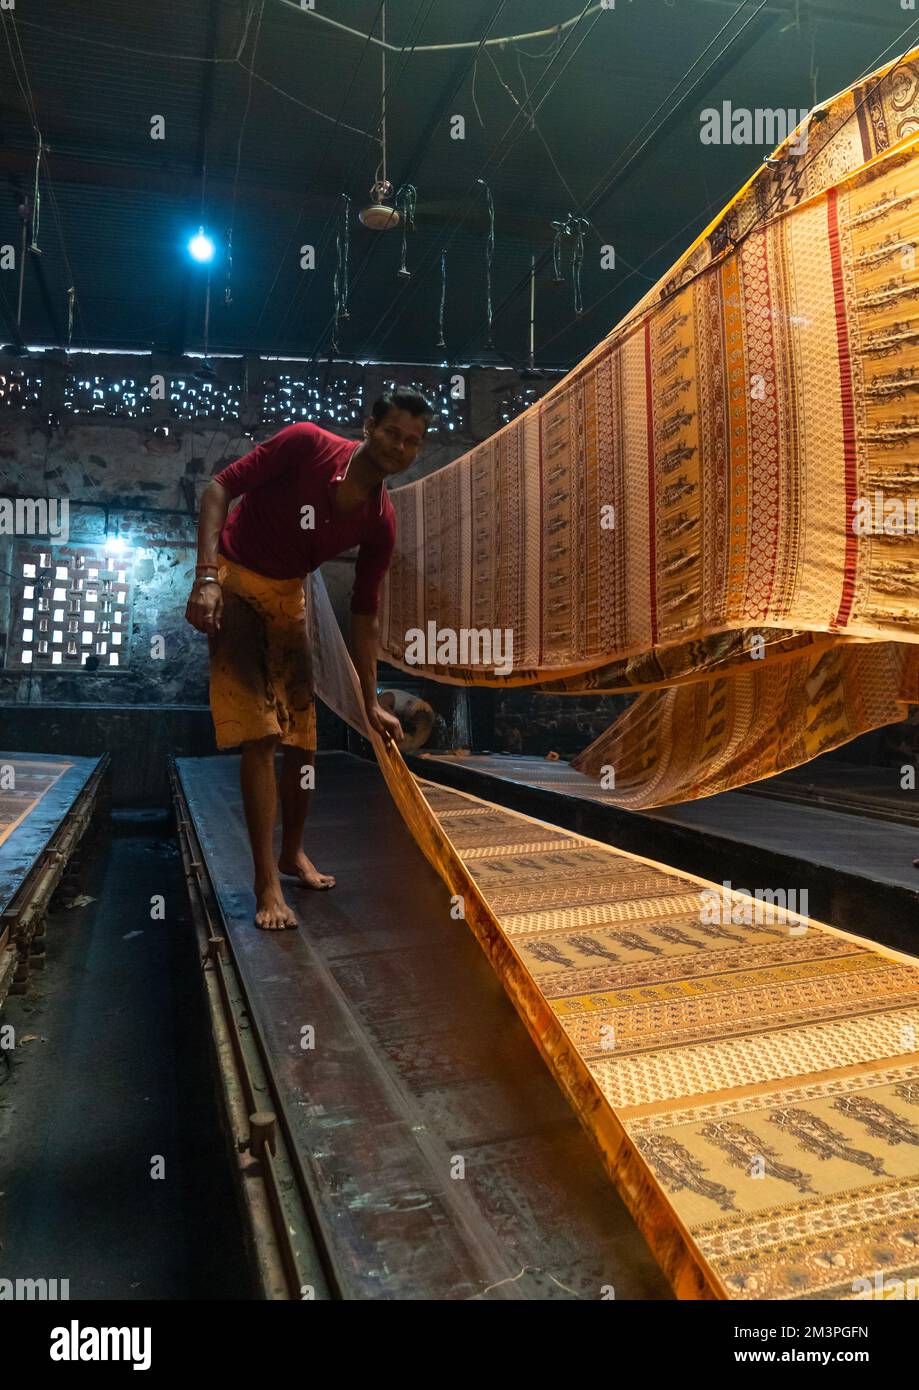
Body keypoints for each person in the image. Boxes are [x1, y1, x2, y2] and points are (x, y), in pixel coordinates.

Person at [185, 389, 432, 930]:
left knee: (302, 738)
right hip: (235, 579)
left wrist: (369, 701)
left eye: (412, 442)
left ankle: (291, 854)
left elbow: (364, 614)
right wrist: (205, 578)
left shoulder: (381, 520)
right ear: (369, 427)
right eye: (392, 433)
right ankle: (265, 884)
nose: (399, 447)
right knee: (262, 733)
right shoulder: (306, 443)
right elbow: (218, 488)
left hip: (287, 596)